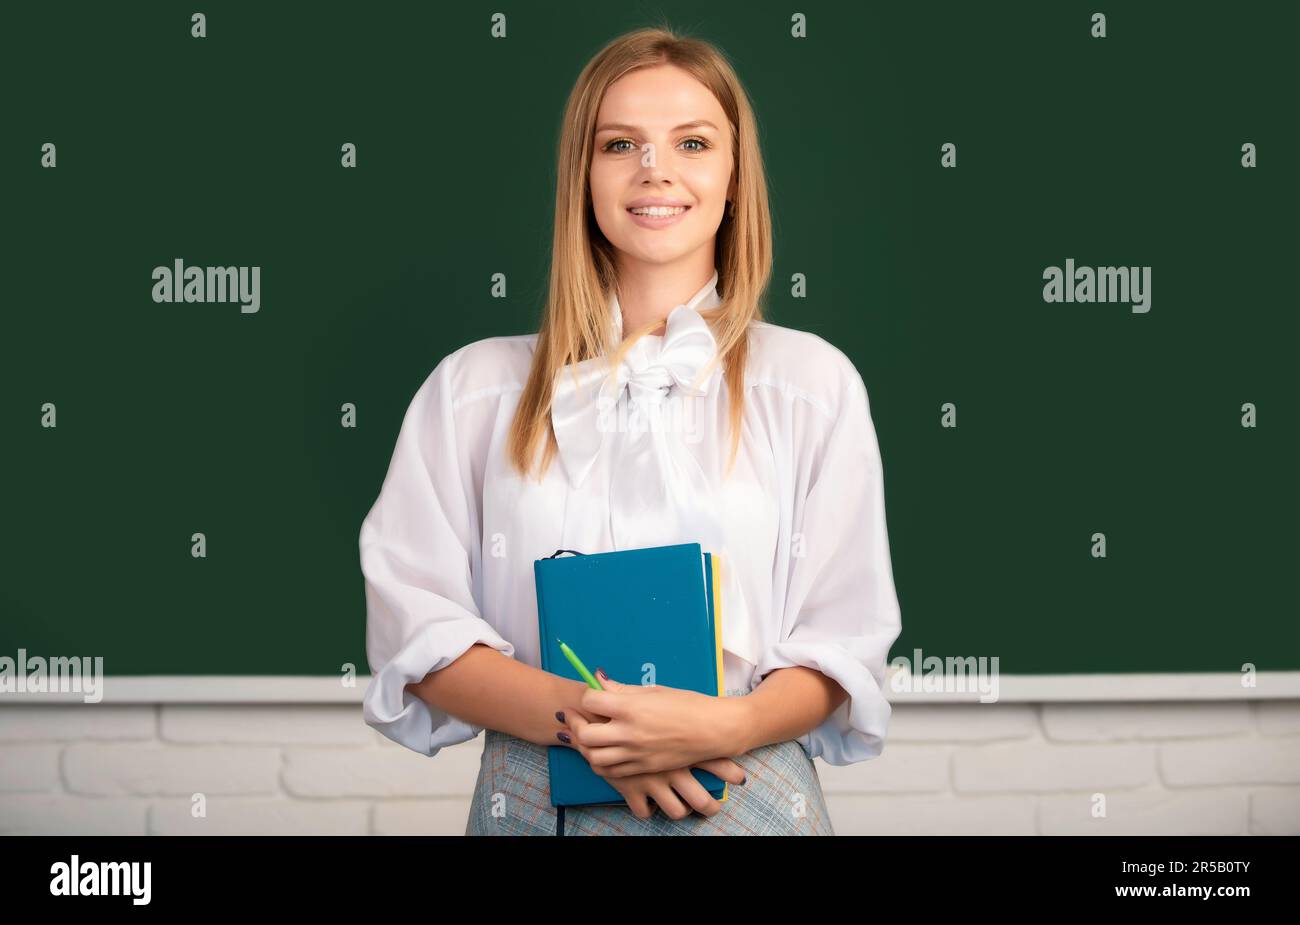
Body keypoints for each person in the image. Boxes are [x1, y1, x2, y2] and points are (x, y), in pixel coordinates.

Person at [359, 26, 902, 835]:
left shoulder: (813, 385)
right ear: (582, 174)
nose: (656, 170)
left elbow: (841, 641)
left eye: (691, 142)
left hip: (744, 786)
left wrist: (721, 726)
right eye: (621, 144)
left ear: (732, 176)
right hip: (534, 793)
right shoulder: (471, 390)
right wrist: (602, 720)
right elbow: (419, 629)